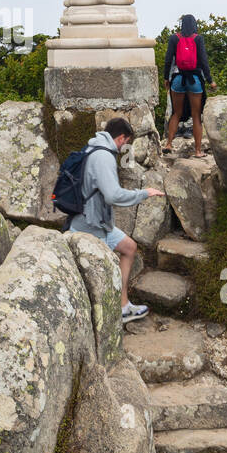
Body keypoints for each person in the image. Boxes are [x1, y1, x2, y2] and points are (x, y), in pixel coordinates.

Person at [69, 117, 165, 323]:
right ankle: (105, 319)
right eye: (126, 143)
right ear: (121, 138)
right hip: (91, 226)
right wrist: (143, 193)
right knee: (99, 274)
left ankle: (123, 306)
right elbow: (112, 195)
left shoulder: (93, 148)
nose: (125, 148)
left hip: (96, 221)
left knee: (129, 248)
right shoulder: (103, 156)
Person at [163, 14, 215, 155]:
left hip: (178, 78)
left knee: (176, 113)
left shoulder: (174, 38)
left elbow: (168, 59)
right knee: (196, 115)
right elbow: (203, 61)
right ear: (194, 25)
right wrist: (210, 80)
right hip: (195, 79)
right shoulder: (198, 39)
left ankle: (168, 144)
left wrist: (166, 78)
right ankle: (198, 151)